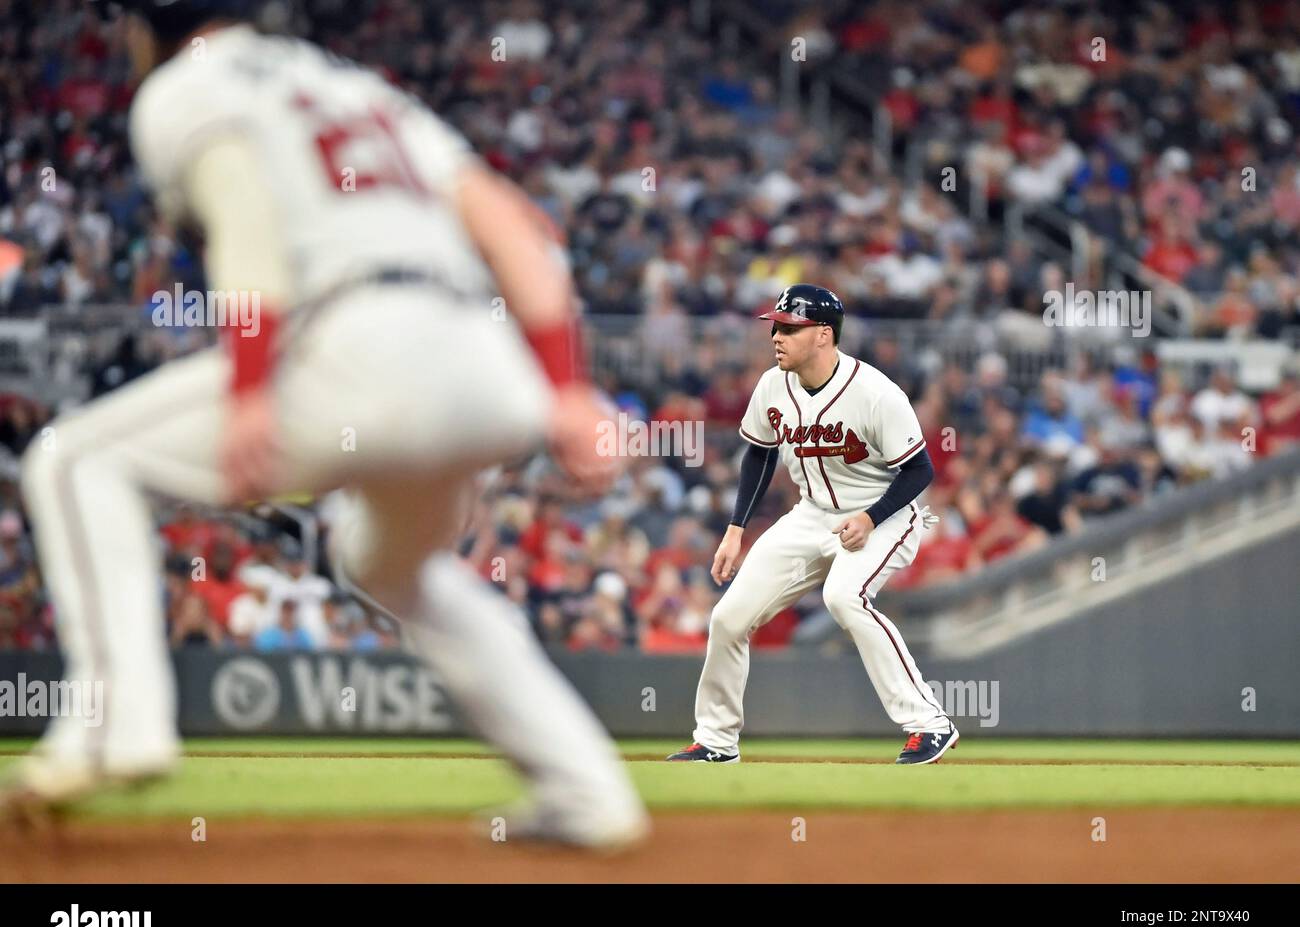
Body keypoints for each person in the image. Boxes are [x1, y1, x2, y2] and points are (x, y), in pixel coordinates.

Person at [4, 0, 646, 849]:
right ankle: (588, 793)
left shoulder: (183, 87)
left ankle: (114, 727)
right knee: (389, 564)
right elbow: (508, 220)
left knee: (72, 461)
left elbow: (247, 223)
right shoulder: (352, 85)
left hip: (357, 345)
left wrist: (249, 392)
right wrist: (567, 388)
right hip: (482, 362)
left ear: (147, 28)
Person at [665, 284, 959, 765]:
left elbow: (920, 470)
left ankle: (929, 723)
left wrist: (870, 517)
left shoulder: (875, 392)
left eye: (788, 328)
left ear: (823, 335)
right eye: (775, 327)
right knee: (728, 618)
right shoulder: (772, 385)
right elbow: (759, 456)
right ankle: (716, 740)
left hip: (884, 512)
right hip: (810, 514)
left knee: (844, 597)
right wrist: (736, 529)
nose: (776, 336)